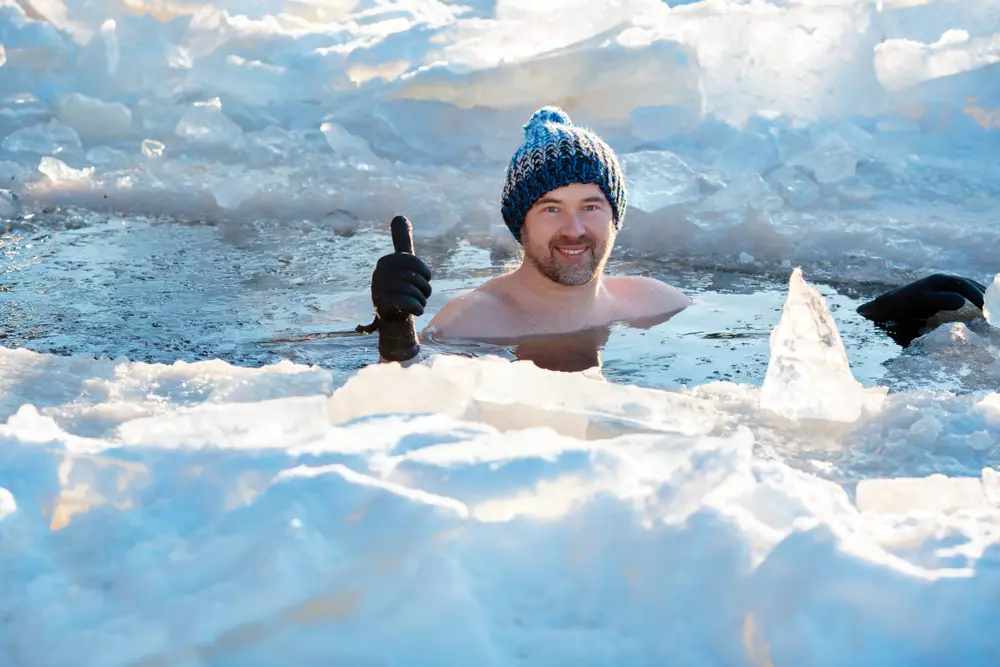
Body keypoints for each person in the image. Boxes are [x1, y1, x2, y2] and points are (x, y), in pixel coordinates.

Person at [366, 106, 988, 371]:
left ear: (615, 217)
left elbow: (764, 334)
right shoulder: (477, 318)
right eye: (551, 209)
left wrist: (874, 318)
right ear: (520, 224)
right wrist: (396, 336)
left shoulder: (650, 300)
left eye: (592, 206)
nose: (575, 229)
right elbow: (413, 398)